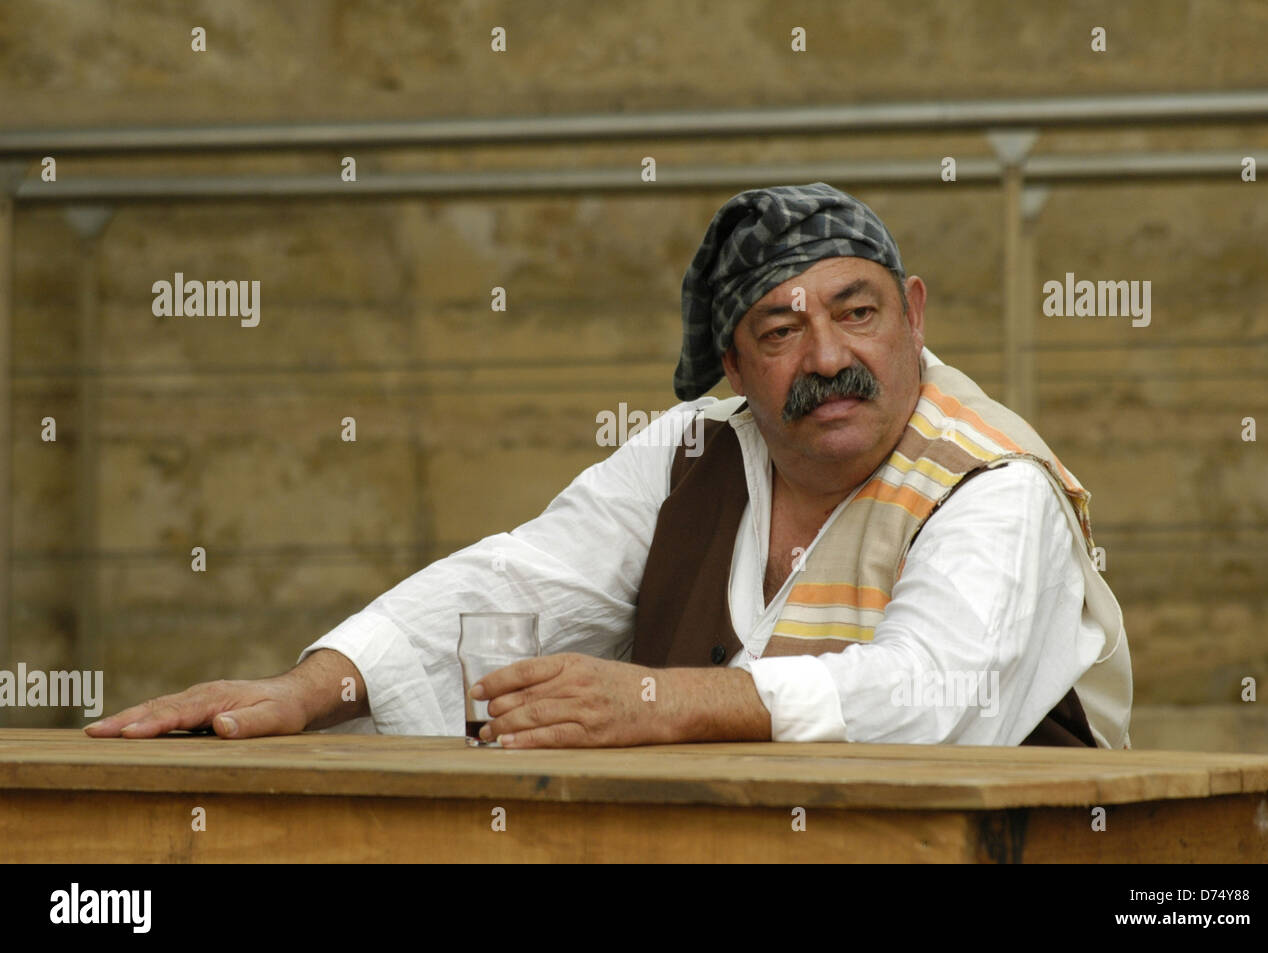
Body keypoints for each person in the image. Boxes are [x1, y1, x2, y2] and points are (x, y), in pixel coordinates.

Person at [86, 183, 1132, 749]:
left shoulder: (992, 482)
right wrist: (311, 687)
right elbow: (518, 582)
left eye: (855, 312)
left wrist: (654, 702)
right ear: (732, 366)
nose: (825, 358)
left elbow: (935, 693)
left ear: (911, 313)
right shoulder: (695, 450)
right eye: (779, 328)